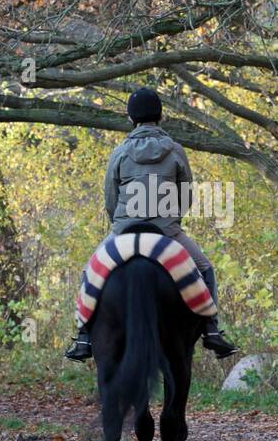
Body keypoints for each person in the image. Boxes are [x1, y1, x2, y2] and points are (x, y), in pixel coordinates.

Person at [65, 87, 238, 361]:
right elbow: (186, 196)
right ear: (160, 116)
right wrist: (171, 223)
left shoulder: (120, 152)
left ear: (130, 118)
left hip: (124, 233)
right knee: (206, 270)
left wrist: (121, 225)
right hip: (167, 233)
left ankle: (84, 337)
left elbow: (110, 198)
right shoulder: (176, 151)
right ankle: (212, 330)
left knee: (89, 272)